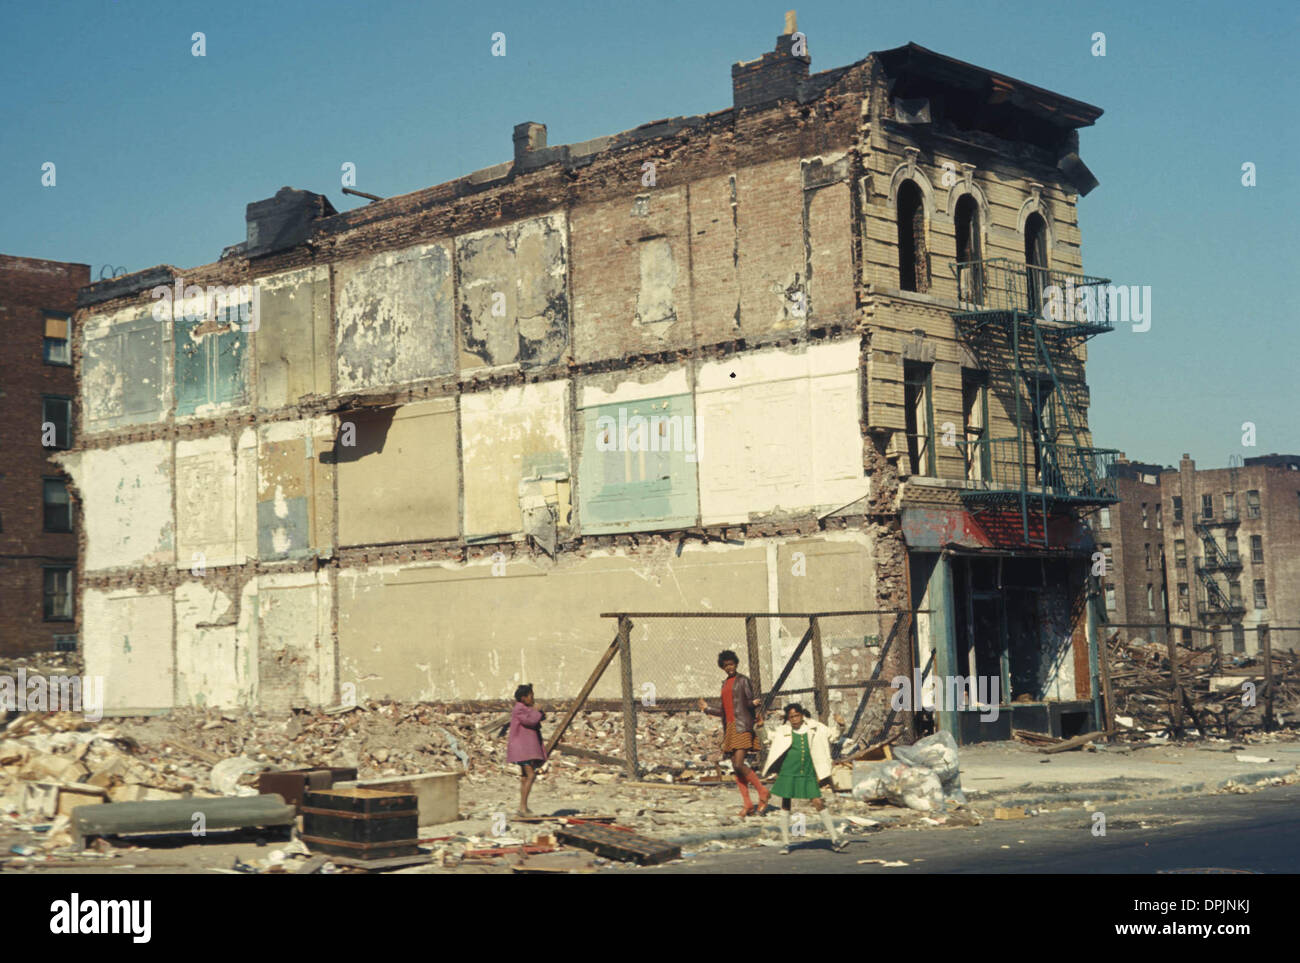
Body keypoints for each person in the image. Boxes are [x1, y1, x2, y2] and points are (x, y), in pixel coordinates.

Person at [763, 703, 847, 854]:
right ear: (788, 719)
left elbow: (834, 735)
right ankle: (785, 843)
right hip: (789, 771)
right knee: (786, 804)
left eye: (796, 716)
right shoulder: (783, 731)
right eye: (791, 717)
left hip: (807, 772)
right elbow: (767, 738)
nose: (794, 720)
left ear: (802, 715)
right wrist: (760, 728)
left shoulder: (816, 727)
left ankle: (835, 839)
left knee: (818, 801)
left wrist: (841, 725)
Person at [698, 650, 770, 817]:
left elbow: (749, 702)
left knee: (738, 764)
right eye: (726, 665)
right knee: (736, 769)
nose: (729, 667)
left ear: (736, 664)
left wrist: (754, 704)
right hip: (730, 727)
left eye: (731, 664)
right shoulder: (725, 684)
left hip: (742, 725)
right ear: (722, 667)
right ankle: (748, 805)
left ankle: (762, 791)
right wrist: (706, 709)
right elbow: (724, 710)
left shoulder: (743, 681)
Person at [507, 684, 546, 815]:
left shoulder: (524, 708)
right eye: (531, 696)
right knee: (531, 775)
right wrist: (536, 711)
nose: (533, 698)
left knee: (525, 777)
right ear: (523, 698)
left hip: (524, 749)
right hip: (523, 749)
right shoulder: (519, 710)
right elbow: (530, 721)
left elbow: (538, 718)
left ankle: (522, 807)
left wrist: (538, 711)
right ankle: (523, 807)